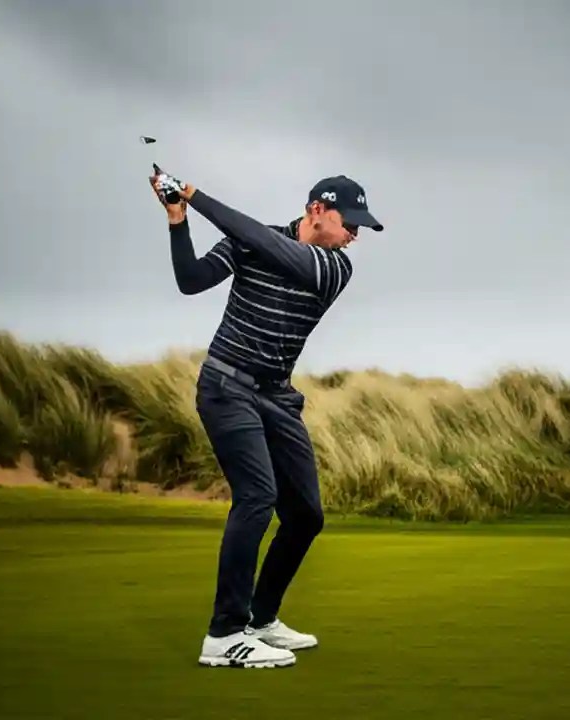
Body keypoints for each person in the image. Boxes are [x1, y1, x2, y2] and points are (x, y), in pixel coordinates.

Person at [148, 168, 383, 668]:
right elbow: (192, 281)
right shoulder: (254, 243)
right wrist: (178, 219)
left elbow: (259, 240)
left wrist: (197, 194)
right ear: (316, 210)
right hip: (226, 386)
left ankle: (260, 619)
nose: (356, 234)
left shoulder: (332, 267)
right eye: (351, 221)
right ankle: (223, 635)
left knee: (306, 516)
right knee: (257, 497)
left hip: (276, 396)